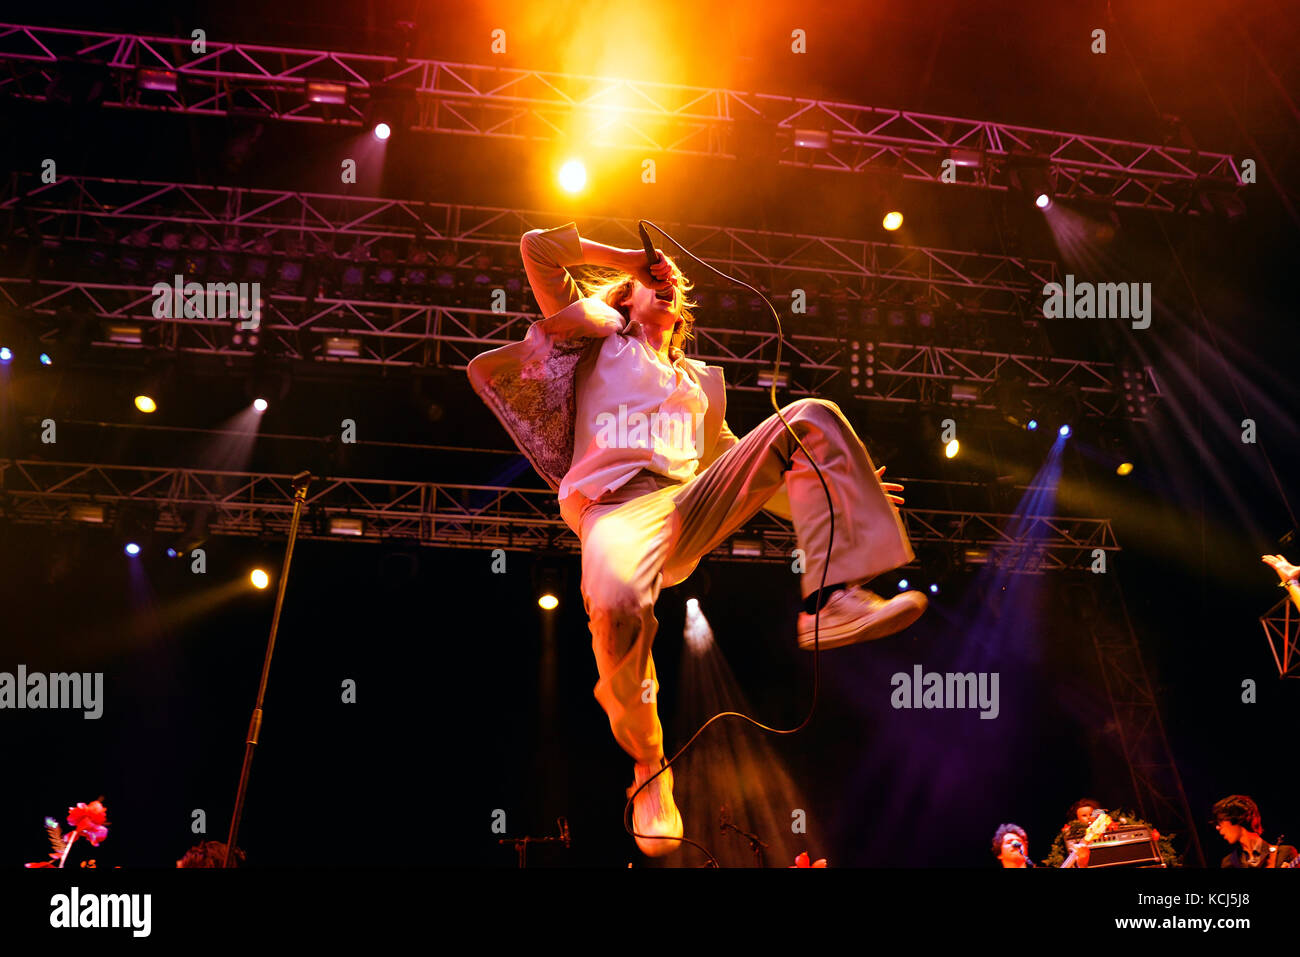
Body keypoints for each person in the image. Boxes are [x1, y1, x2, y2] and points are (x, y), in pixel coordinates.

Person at [468, 222, 926, 856]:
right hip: (616, 511)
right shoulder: (596, 338)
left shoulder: (703, 385)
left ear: (679, 306)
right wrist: (633, 258)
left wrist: (831, 488)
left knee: (811, 419)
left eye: (670, 282)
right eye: (647, 281)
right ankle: (650, 770)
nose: (663, 284)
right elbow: (536, 247)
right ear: (625, 296)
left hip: (685, 503)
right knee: (617, 610)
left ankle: (834, 599)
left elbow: (751, 478)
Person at [1212, 794, 1298, 868]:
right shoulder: (1229, 863)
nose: (1217, 827)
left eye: (1220, 821)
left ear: (1238, 817)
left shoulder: (1284, 853)